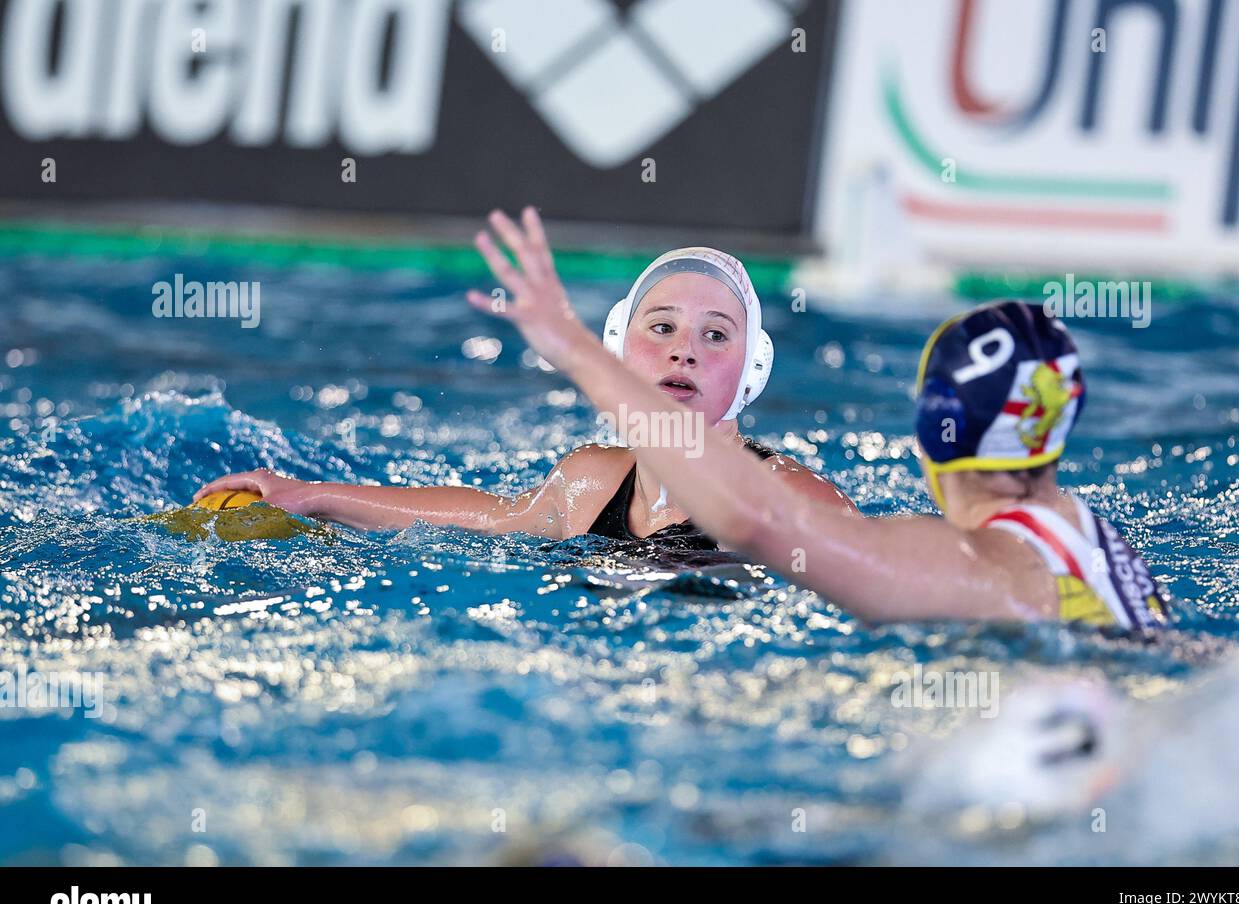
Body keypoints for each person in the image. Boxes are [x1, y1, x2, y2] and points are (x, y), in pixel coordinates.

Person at [467, 207, 1171, 627]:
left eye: (716, 335)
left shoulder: (969, 563)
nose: (685, 350)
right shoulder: (1088, 546)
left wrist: (582, 356)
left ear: (932, 440)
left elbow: (756, 521)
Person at [193, 229, 854, 552]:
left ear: (751, 373)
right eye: (662, 327)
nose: (685, 349)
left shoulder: (790, 499)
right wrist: (310, 496)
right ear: (620, 348)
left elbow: (881, 579)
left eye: (717, 336)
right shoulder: (590, 484)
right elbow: (487, 516)